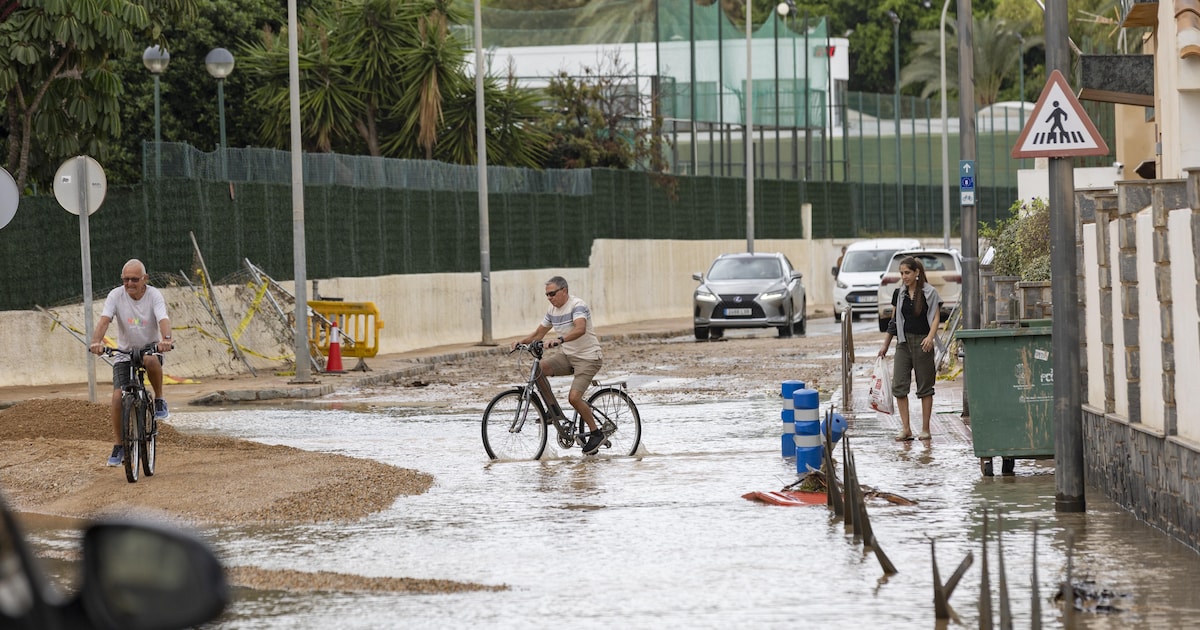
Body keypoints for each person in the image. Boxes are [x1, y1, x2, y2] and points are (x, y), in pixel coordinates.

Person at [88, 259, 174, 466]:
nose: (129, 284)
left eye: (134, 279)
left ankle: (160, 399)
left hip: (150, 348)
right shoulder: (115, 296)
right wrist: (96, 342)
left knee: (149, 360)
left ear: (145, 279)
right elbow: (104, 320)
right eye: (125, 279)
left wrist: (167, 340)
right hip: (124, 353)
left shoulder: (154, 296)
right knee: (117, 397)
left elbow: (163, 319)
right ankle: (119, 446)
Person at [513, 276, 606, 455]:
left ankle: (596, 433)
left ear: (564, 290)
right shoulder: (552, 310)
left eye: (552, 294)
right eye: (547, 295)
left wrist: (559, 340)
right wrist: (520, 342)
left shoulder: (577, 305)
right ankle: (553, 411)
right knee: (537, 370)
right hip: (568, 355)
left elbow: (580, 328)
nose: (549, 297)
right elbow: (539, 333)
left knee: (574, 398)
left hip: (588, 358)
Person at [876, 256, 941, 442]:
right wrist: (885, 344)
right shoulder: (899, 294)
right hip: (903, 343)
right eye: (901, 273)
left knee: (925, 387)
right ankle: (906, 429)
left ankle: (925, 429)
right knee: (899, 385)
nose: (904, 277)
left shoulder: (930, 292)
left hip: (923, 342)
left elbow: (936, 317)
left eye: (907, 273)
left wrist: (930, 337)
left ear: (917, 273)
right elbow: (894, 321)